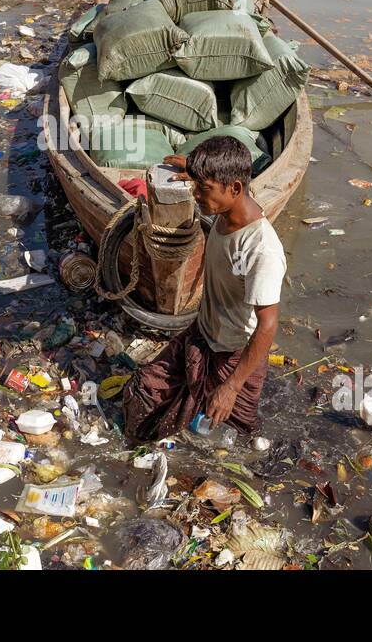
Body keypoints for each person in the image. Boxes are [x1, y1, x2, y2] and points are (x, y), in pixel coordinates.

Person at [122, 136, 286, 443]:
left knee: (238, 437)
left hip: (235, 356)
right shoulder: (226, 212)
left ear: (236, 188)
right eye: (196, 185)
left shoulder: (260, 249)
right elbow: (216, 190)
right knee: (144, 391)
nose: (195, 195)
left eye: (203, 189)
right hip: (202, 334)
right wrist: (199, 173)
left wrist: (232, 386)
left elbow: (268, 325)